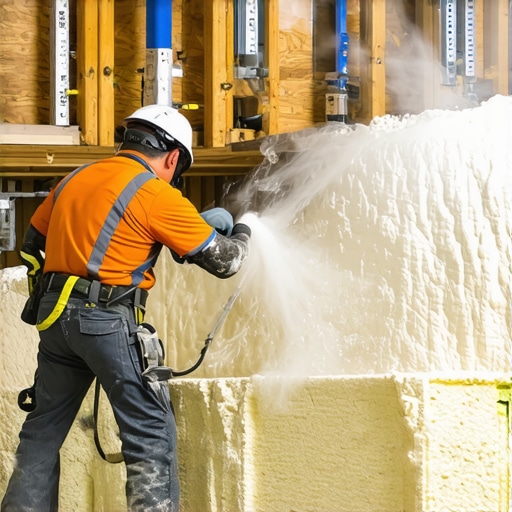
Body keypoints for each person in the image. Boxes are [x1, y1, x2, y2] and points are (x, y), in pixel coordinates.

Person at [1, 105, 251, 512]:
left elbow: (32, 246)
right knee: (149, 433)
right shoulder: (155, 193)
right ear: (173, 158)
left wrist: (44, 299)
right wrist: (242, 230)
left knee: (42, 432)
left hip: (55, 322)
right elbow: (226, 262)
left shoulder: (73, 180)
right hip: (106, 323)